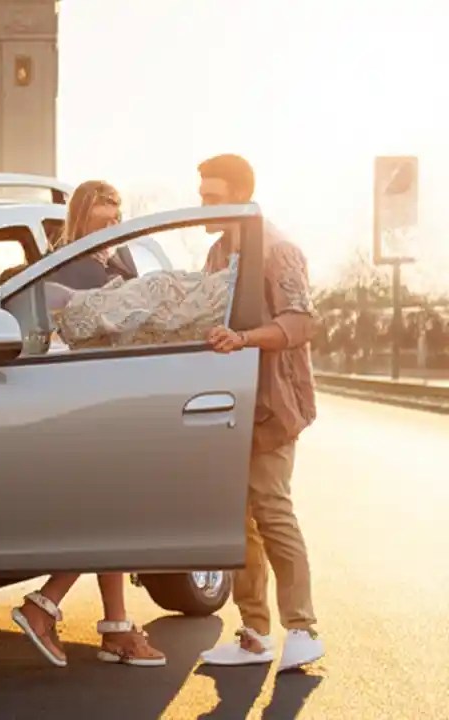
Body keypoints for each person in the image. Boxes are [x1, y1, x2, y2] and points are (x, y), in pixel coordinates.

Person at [10, 179, 168, 668]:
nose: (113, 223)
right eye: (104, 214)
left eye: (118, 215)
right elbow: (60, 325)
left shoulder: (123, 263)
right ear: (82, 215)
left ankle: (116, 627)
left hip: (122, 394)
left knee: (111, 510)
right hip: (85, 396)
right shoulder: (63, 268)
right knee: (111, 513)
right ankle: (45, 605)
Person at [194, 153, 325, 671]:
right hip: (230, 404)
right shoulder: (216, 252)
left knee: (272, 510)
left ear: (241, 198)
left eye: (212, 196)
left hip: (274, 403)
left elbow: (300, 322)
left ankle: (303, 628)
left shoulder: (277, 249)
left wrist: (244, 338)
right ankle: (253, 633)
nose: (203, 203)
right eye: (201, 194)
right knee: (238, 519)